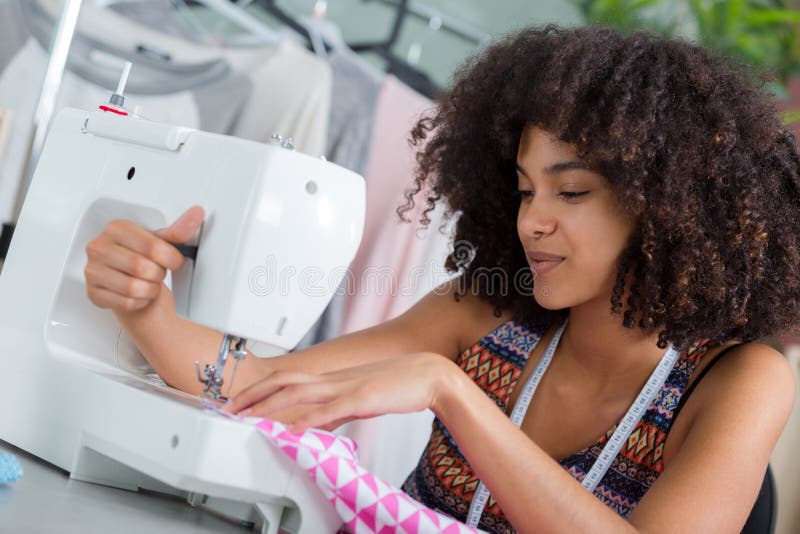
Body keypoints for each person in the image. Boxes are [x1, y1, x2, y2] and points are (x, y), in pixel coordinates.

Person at [83, 24, 800, 533]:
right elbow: (266, 386)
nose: (531, 222)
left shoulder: (740, 378)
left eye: (570, 192)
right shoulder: (489, 309)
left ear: (664, 209)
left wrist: (449, 389)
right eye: (523, 191)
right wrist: (151, 314)